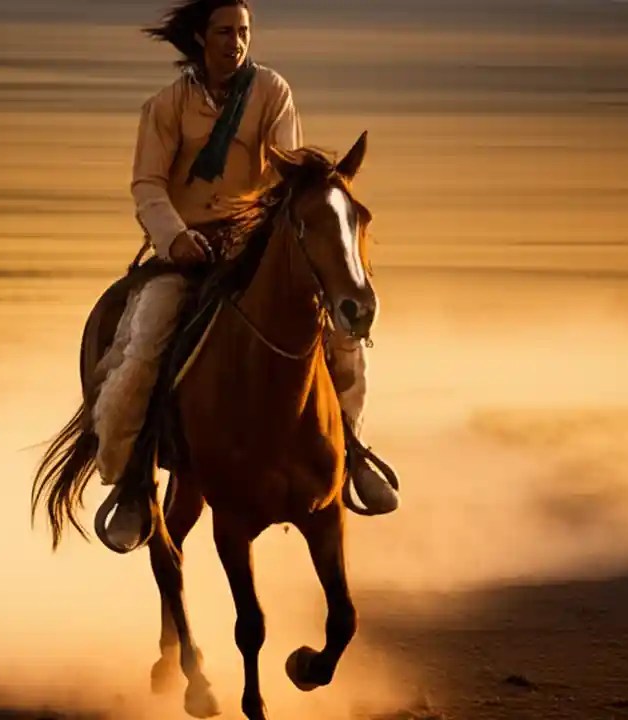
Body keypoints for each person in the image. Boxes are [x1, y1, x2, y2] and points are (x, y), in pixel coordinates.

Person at [91, 0, 399, 552]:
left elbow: (282, 162)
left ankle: (350, 452)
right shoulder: (165, 107)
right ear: (200, 37)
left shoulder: (271, 92)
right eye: (225, 31)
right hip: (183, 252)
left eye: (244, 31)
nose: (236, 42)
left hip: (251, 247)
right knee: (144, 345)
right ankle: (133, 482)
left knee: (340, 336)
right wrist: (177, 238)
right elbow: (148, 186)